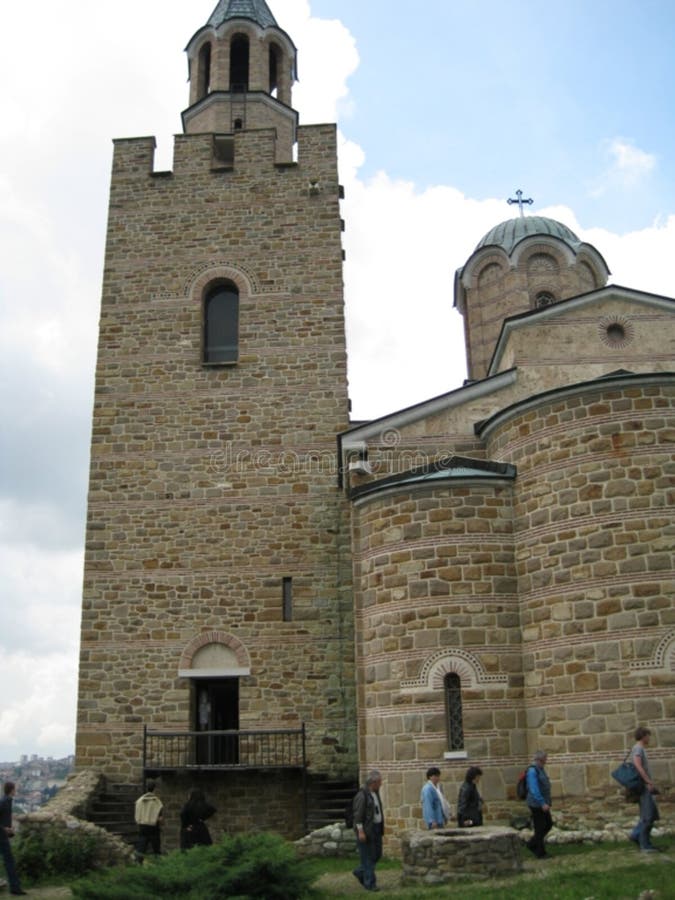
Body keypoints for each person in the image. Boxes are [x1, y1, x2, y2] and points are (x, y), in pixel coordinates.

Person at [628, 727, 661, 853]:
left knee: (649, 815)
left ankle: (637, 836)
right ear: (643, 736)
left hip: (644, 786)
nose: (649, 738)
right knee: (648, 815)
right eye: (648, 735)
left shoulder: (639, 748)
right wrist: (648, 781)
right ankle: (644, 844)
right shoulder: (638, 748)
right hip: (643, 786)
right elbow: (637, 765)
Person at [352, 770, 385, 892]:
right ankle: (370, 884)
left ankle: (360, 871)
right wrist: (361, 831)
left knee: (377, 854)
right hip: (367, 830)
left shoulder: (375, 793)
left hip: (377, 828)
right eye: (379, 782)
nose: (381, 784)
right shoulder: (362, 796)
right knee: (368, 857)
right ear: (373, 782)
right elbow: (358, 816)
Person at [0, 782, 27, 896]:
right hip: (1, 837)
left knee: (9, 862)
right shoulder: (4, 802)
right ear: (11, 790)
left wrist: (9, 829)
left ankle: (15, 888)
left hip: (3, 836)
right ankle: (15, 888)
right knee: (9, 862)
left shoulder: (7, 801)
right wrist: (4, 829)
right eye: (15, 788)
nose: (16, 790)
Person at [525, 750, 552, 859]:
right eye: (545, 759)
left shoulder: (540, 769)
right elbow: (534, 789)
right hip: (536, 804)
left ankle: (532, 844)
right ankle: (540, 852)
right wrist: (542, 803)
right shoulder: (532, 771)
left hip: (543, 803)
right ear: (540, 759)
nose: (546, 761)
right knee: (540, 828)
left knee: (548, 824)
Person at [134, 780, 163, 857]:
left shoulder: (139, 801)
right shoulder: (157, 802)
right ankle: (158, 862)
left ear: (147, 788)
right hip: (154, 828)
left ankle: (138, 862)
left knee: (141, 848)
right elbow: (160, 818)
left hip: (142, 827)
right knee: (156, 849)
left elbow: (137, 815)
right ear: (154, 789)